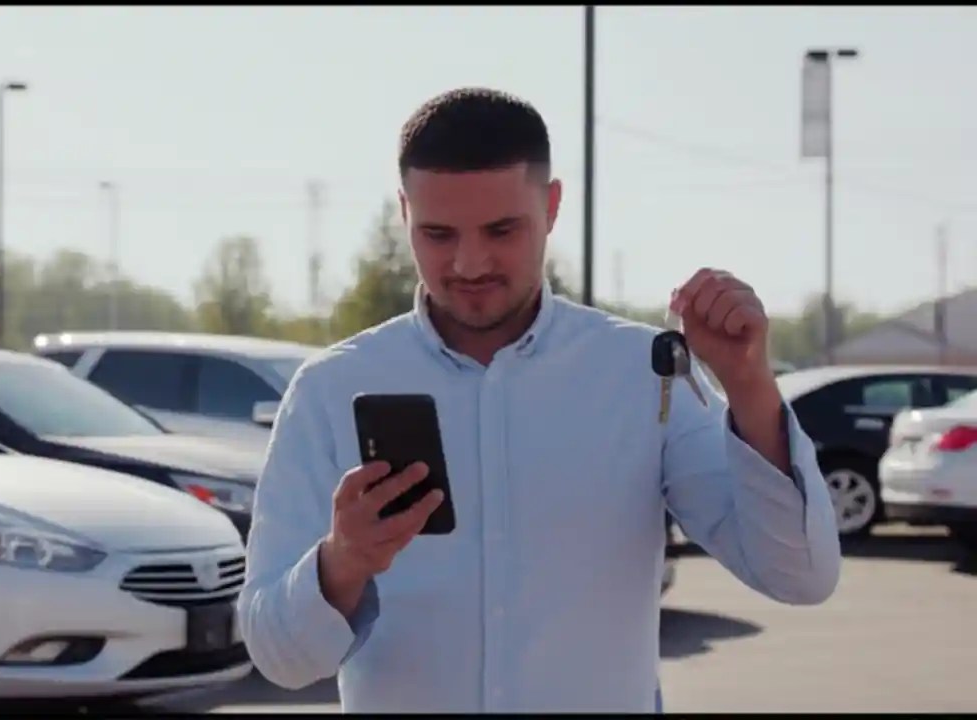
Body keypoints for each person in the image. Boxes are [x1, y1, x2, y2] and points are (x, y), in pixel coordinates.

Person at [236, 87, 841, 713]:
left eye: (502, 230)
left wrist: (748, 386)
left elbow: (799, 575)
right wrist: (342, 564)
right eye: (438, 234)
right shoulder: (330, 390)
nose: (470, 263)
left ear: (551, 206)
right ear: (403, 213)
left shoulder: (642, 375)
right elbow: (278, 659)